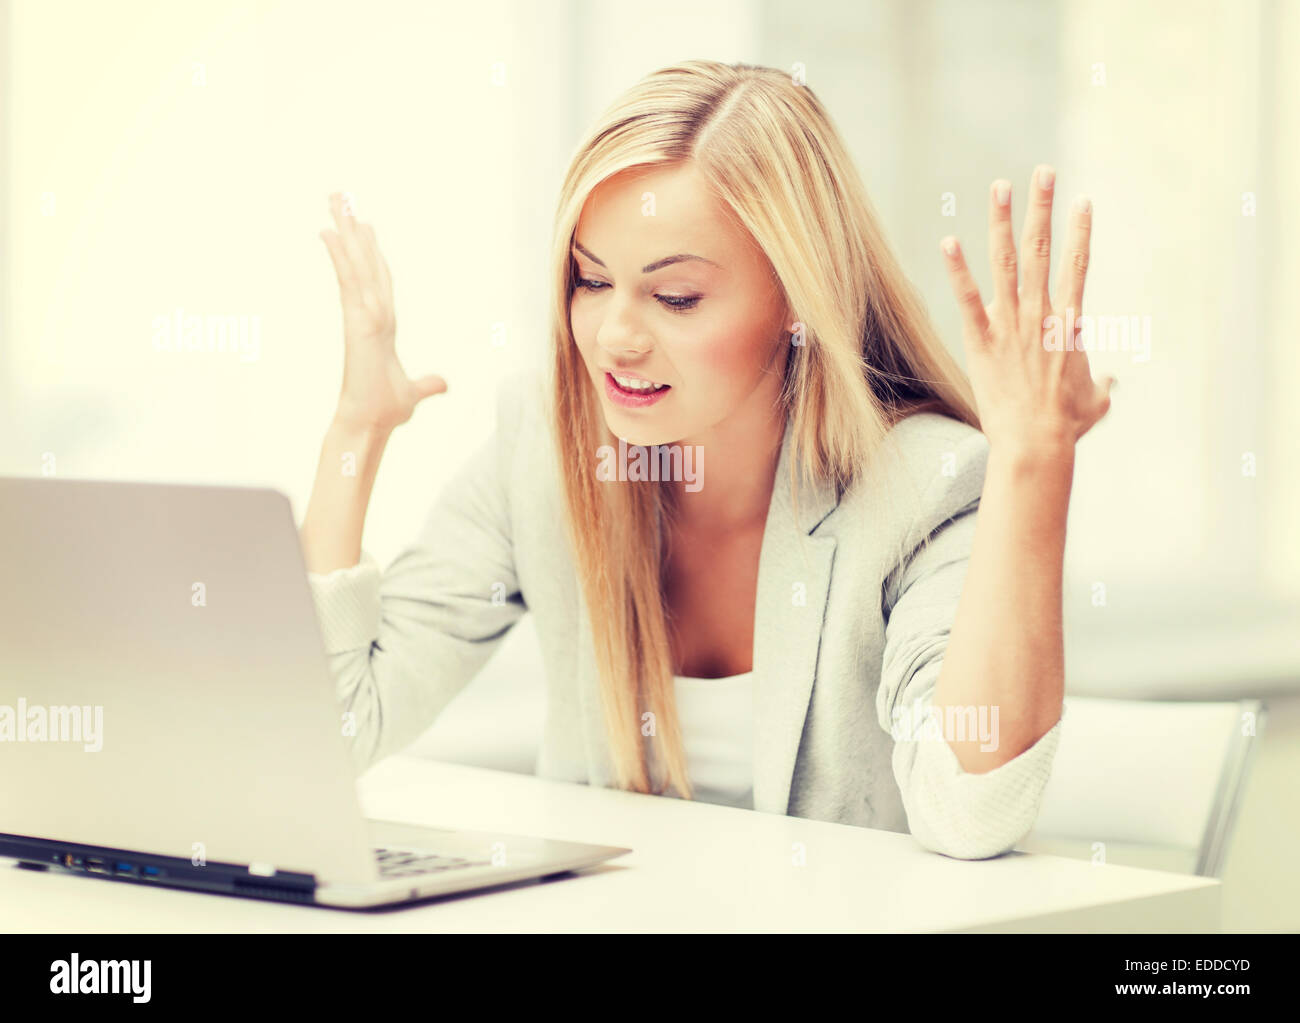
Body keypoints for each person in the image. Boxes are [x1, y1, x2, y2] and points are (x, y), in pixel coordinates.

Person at [299, 60, 1112, 860]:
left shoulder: (924, 486)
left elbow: (969, 811)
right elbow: (328, 730)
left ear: (798, 294)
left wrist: (1032, 463)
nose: (615, 336)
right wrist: (355, 432)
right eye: (590, 280)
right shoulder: (547, 447)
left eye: (675, 296)